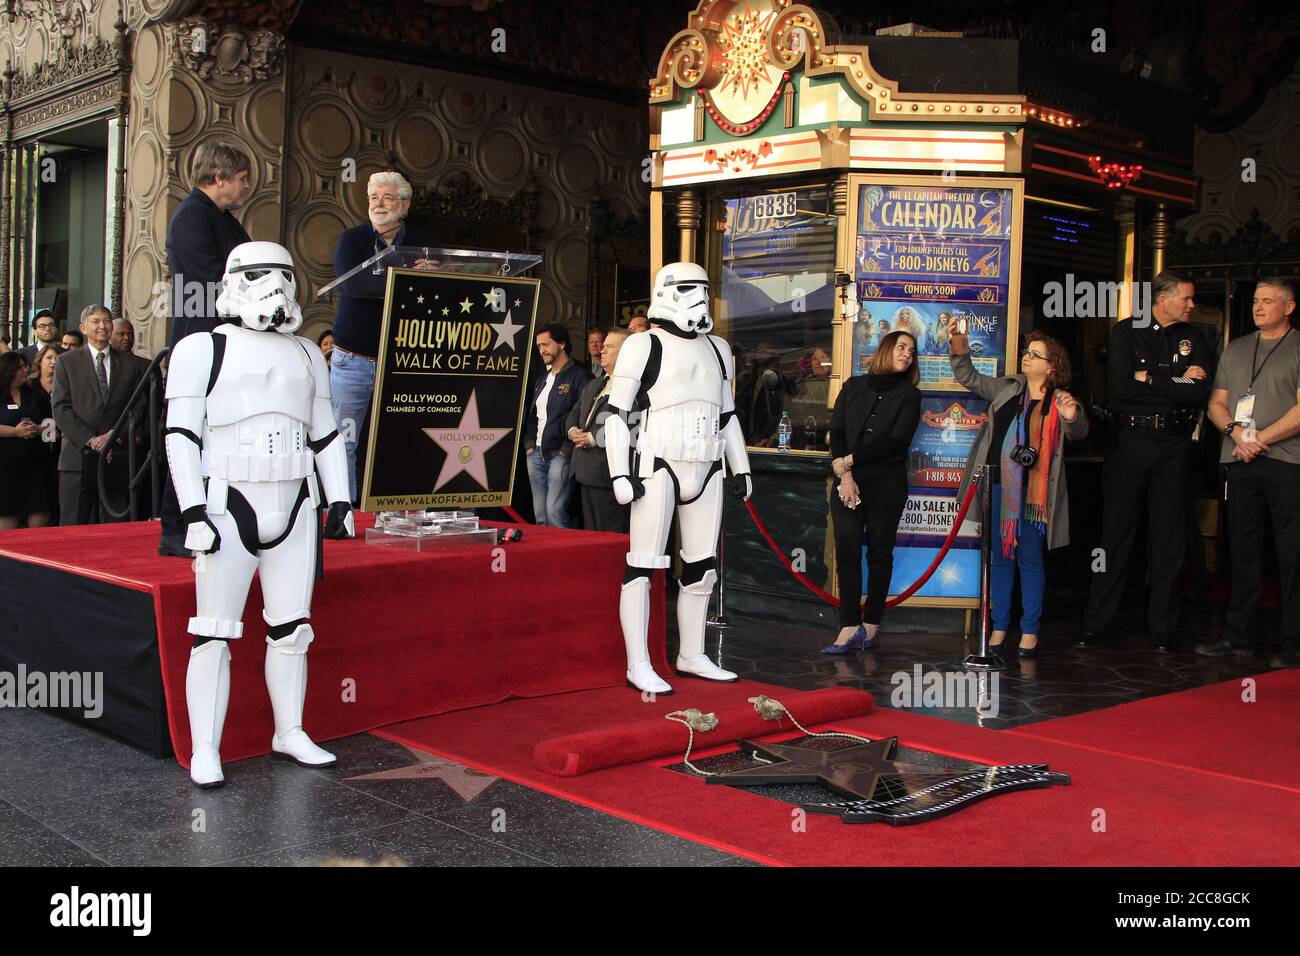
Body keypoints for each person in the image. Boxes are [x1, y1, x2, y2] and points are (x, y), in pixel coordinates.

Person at [165, 240, 354, 788]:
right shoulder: (202, 348)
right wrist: (192, 510)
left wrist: (339, 499)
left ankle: (289, 730)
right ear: (233, 280)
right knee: (213, 631)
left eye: (283, 274)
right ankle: (206, 746)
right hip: (228, 501)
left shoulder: (306, 353)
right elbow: (180, 433)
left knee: (292, 628)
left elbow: (324, 434)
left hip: (295, 502)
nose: (274, 285)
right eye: (259, 274)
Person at [604, 261, 753, 693]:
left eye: (705, 289)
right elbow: (617, 413)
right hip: (659, 463)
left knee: (702, 567)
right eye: (689, 288)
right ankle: (639, 662)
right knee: (644, 565)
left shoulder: (718, 348)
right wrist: (620, 472)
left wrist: (741, 466)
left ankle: (693, 654)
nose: (700, 298)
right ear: (667, 291)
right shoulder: (643, 345)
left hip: (707, 465)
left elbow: (726, 415)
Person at [1077, 271, 1213, 653]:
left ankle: (1163, 628)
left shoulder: (1195, 337)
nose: (1191, 304)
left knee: (1169, 538)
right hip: (1131, 442)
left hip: (1174, 445)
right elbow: (1121, 387)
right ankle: (1097, 622)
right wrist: (1174, 379)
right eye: (1186, 297)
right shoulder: (1126, 331)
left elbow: (1199, 391)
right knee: (1114, 535)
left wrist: (1150, 378)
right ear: (1162, 298)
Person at [951, 330, 1088, 655]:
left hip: (1035, 496)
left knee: (1029, 559)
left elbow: (1079, 431)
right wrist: (958, 345)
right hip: (998, 486)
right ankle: (998, 627)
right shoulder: (1007, 386)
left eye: (1034, 354)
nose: (1026, 356)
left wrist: (1072, 417)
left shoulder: (1060, 400)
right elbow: (967, 376)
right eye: (1026, 351)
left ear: (1052, 366)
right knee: (1001, 559)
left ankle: (1029, 630)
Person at [1196, 278, 1300, 669]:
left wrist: (1258, 440)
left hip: (1287, 461)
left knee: (1291, 553)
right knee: (1242, 549)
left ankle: (1293, 641)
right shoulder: (1236, 349)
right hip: (1240, 460)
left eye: (1268, 301)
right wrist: (1236, 433)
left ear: (1288, 307)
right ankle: (1238, 635)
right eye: (1256, 300)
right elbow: (1217, 404)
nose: (1258, 307)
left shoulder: (1298, 346)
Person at [161, 141, 254, 556]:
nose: (246, 185)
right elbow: (214, 280)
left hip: (226, 341)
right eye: (241, 178)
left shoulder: (221, 217)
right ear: (219, 178)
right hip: (200, 342)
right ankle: (175, 527)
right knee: (189, 435)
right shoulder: (191, 218)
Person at [330, 170, 435, 504]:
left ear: (404, 204)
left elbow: (438, 289)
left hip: (401, 361)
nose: (378, 204)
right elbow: (352, 285)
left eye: (387, 197)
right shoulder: (351, 240)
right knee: (344, 441)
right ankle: (342, 513)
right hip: (352, 361)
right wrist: (408, 276)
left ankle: (391, 511)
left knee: (398, 440)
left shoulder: (424, 241)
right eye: (373, 197)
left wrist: (430, 277)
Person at [822, 331, 921, 653]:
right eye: (901, 347)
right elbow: (836, 430)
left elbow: (896, 442)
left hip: (887, 483)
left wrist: (847, 461)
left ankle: (872, 622)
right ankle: (848, 623)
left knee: (880, 551)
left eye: (911, 351)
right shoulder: (853, 386)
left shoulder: (910, 395)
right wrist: (845, 473)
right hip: (847, 479)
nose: (907, 354)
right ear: (886, 349)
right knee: (847, 547)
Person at [50, 305, 146, 526]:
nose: (102, 326)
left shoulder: (131, 364)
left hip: (117, 455)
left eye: (106, 321)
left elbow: (138, 407)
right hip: (77, 457)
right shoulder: (67, 361)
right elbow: (61, 408)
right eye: (96, 321)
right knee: (74, 525)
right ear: (83, 328)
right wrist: (91, 440)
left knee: (115, 525)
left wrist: (113, 435)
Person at [522, 323, 590, 526]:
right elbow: (533, 415)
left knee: (554, 511)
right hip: (536, 453)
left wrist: (566, 449)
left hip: (561, 452)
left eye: (546, 344)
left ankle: (563, 556)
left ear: (561, 343)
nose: (541, 350)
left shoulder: (581, 376)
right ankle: (544, 556)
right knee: (539, 514)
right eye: (539, 346)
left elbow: (584, 415)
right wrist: (529, 444)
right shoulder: (542, 379)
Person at [566, 327, 631, 532]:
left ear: (627, 353)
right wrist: (572, 432)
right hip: (584, 472)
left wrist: (594, 438)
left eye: (609, 347)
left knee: (610, 537)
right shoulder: (595, 383)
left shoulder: (634, 386)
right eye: (603, 346)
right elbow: (574, 413)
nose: (602, 350)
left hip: (608, 475)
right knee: (592, 536)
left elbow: (631, 422)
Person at [0, 352, 54, 529]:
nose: (25, 370)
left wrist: (38, 429)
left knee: (39, 515)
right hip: (5, 470)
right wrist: (15, 432)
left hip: (36, 468)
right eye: (20, 367)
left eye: (25, 366)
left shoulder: (35, 396)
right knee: (7, 516)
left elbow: (53, 426)